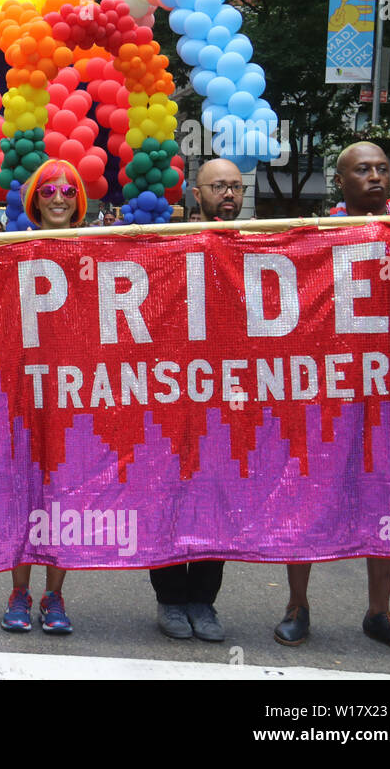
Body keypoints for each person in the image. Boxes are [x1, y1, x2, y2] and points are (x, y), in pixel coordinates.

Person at [275, 141, 390, 654]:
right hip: (329, 386)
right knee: (307, 493)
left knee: (388, 497)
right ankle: (297, 606)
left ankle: (378, 614)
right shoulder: (315, 239)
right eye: (363, 169)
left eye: (383, 168)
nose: (376, 177)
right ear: (341, 182)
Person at [146, 157, 245, 643]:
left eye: (235, 186)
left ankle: (203, 601)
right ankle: (169, 599)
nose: (228, 194)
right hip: (170, 394)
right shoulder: (168, 244)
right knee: (167, 492)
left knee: (214, 496)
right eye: (218, 186)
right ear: (196, 194)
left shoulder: (260, 243)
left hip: (227, 397)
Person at [1, 159, 88, 634]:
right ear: (34, 200)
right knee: (24, 495)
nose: (58, 198)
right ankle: (18, 592)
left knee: (65, 496)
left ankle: (54, 596)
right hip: (24, 391)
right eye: (49, 190)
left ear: (79, 201)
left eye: (68, 191)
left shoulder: (99, 248)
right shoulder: (12, 249)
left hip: (76, 394)